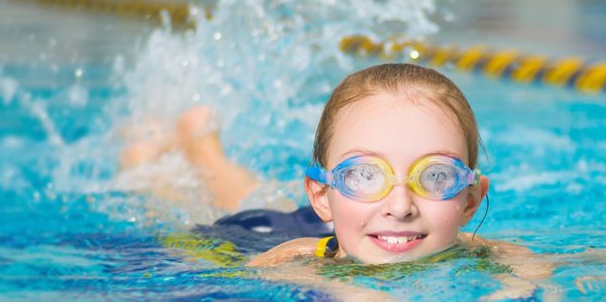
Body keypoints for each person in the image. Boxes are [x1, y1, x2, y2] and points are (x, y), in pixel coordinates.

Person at [120, 63, 551, 299]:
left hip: (354, 217)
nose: (401, 206)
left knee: (253, 189)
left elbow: (532, 264)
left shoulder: (475, 248)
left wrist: (525, 286)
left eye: (435, 176)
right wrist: (335, 283)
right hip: (255, 235)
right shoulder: (297, 257)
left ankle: (202, 142)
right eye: (364, 173)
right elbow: (242, 280)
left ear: (471, 200)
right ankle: (174, 150)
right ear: (322, 196)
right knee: (172, 210)